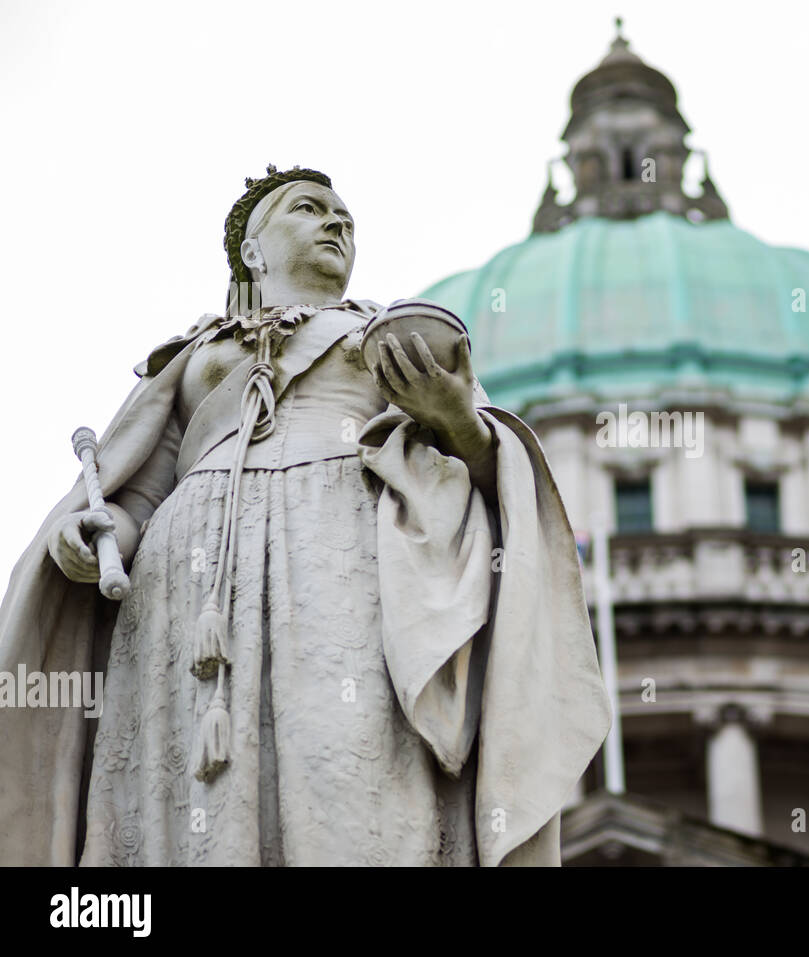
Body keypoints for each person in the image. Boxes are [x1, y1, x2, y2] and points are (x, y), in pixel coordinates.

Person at [0, 165, 611, 866]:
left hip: (341, 554)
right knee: (192, 793)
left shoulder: (389, 337)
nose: (336, 224)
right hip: (186, 589)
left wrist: (457, 422)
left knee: (347, 759)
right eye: (310, 209)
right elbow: (139, 493)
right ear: (253, 251)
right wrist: (88, 534)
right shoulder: (192, 355)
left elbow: (481, 470)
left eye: (344, 217)